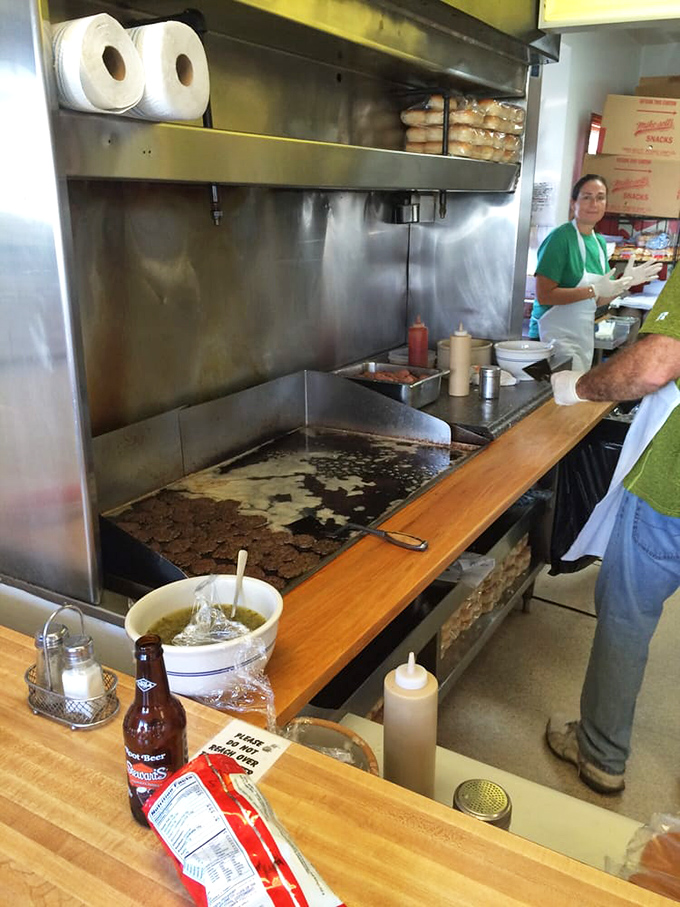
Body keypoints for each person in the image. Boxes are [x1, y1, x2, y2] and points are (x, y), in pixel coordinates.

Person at [545, 262, 680, 794]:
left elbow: (654, 365)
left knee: (627, 615)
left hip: (670, 492)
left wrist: (575, 387)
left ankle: (601, 753)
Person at [529, 174, 661, 371]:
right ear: (573, 203)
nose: (594, 203)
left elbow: (599, 300)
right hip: (547, 341)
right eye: (586, 197)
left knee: (573, 398)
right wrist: (593, 290)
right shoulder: (559, 239)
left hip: (580, 337)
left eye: (600, 197)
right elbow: (545, 295)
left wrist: (625, 283)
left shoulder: (599, 243)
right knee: (550, 399)